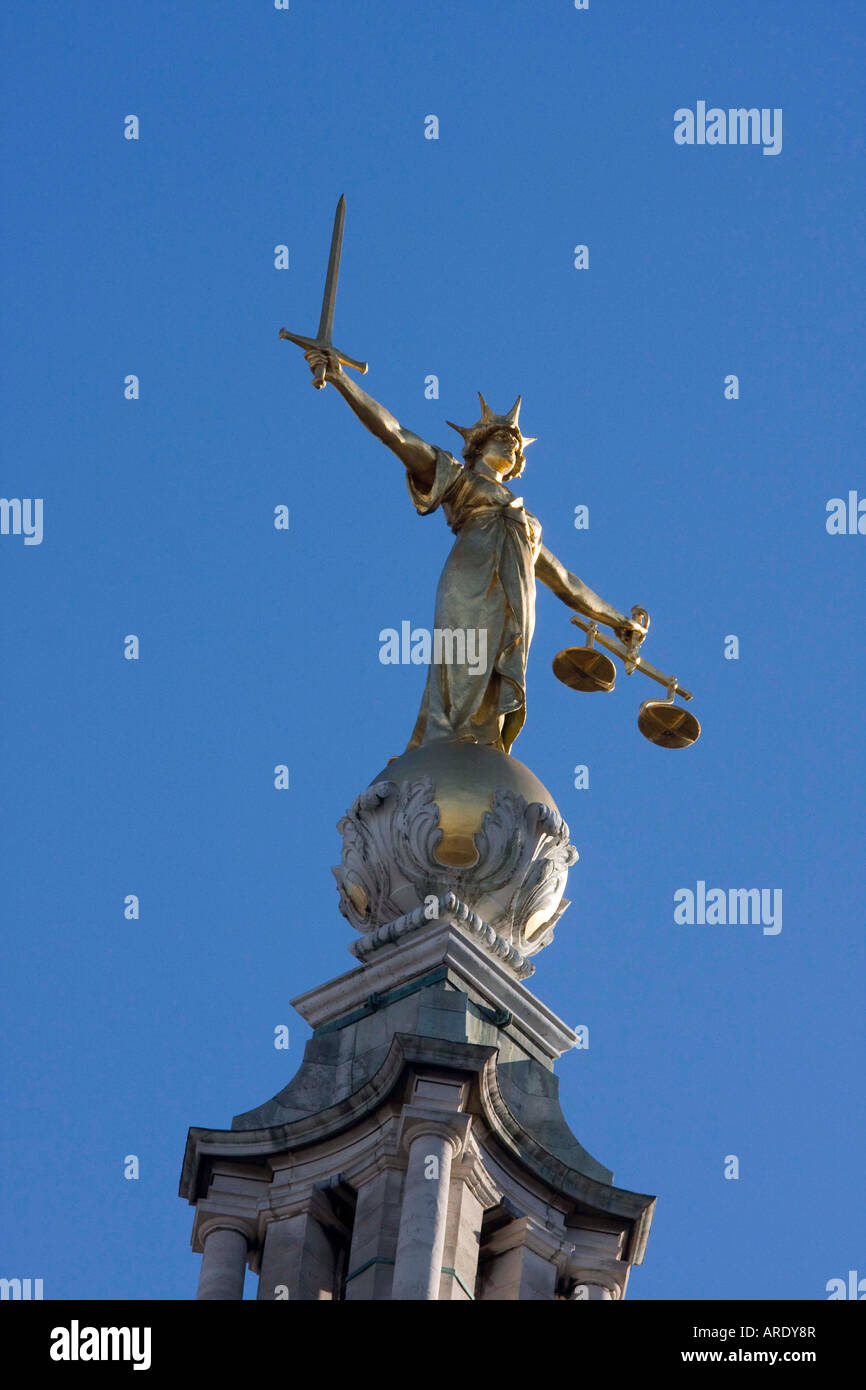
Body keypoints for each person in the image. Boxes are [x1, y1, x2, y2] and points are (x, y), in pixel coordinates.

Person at [304, 348, 645, 754]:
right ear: (479, 445)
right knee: (464, 658)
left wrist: (616, 620)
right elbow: (393, 434)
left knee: (496, 668)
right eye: (504, 438)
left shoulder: (526, 520)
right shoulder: (460, 480)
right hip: (470, 580)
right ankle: (446, 739)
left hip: (515, 600)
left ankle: (483, 743)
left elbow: (567, 582)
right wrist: (342, 379)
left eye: (517, 447)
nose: (513, 448)